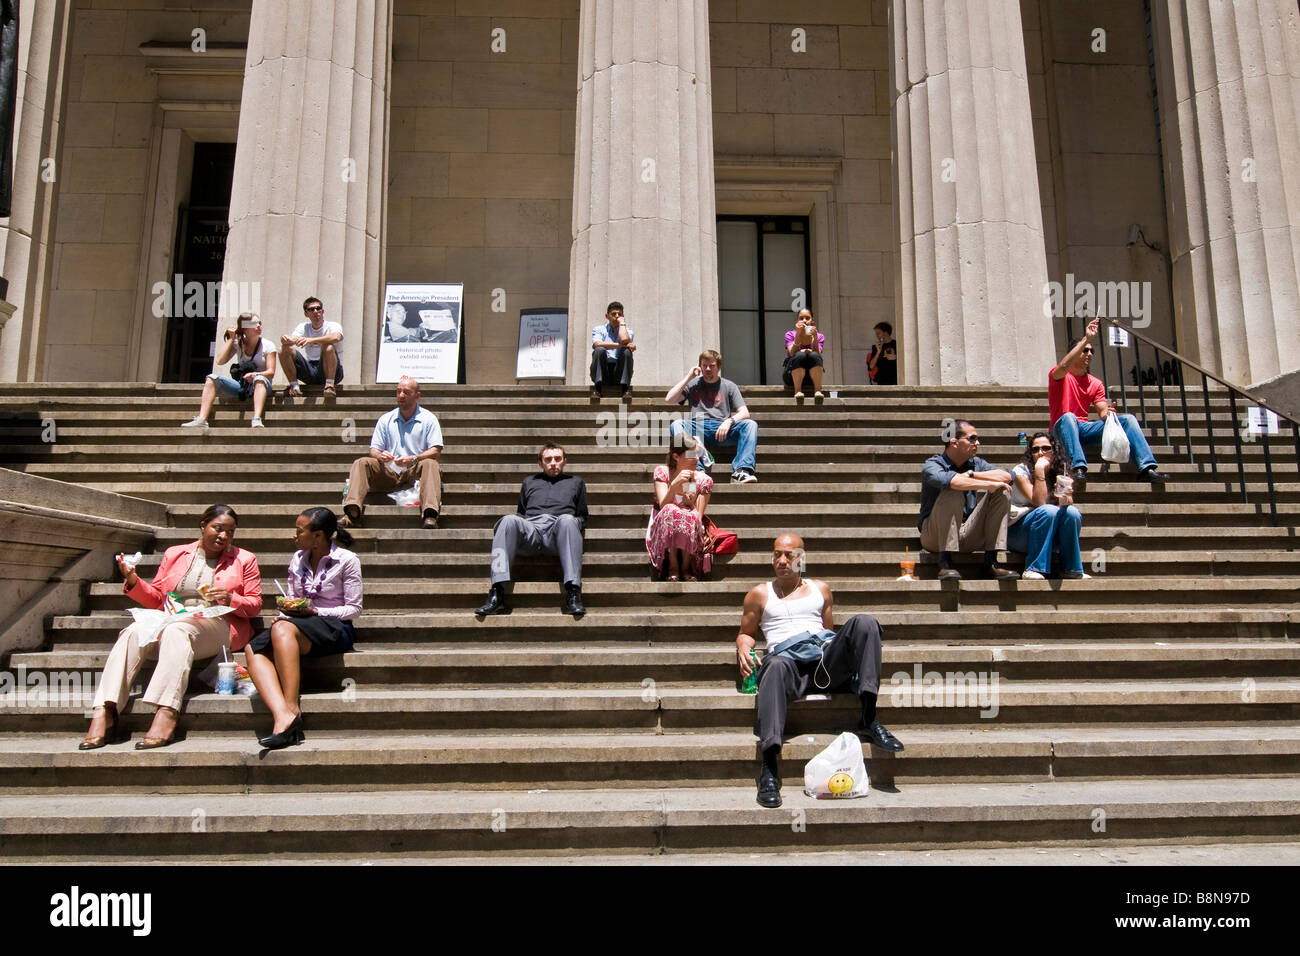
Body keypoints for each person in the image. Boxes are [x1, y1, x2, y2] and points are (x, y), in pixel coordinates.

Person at [736, 533, 902, 809]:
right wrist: (743, 646)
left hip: (823, 664)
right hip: (787, 666)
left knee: (865, 622)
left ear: (802, 558)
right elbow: (746, 633)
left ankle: (869, 717)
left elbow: (828, 632)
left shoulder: (821, 589)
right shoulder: (759, 594)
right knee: (774, 665)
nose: (781, 560)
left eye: (789, 555)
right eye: (777, 554)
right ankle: (769, 767)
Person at [80, 504, 262, 751]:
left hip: (217, 625)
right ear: (202, 525)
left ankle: (166, 710)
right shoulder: (175, 553)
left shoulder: (244, 559)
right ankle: (105, 710)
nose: (223, 536)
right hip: (172, 620)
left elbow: (254, 606)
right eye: (217, 529)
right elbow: (157, 599)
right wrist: (133, 580)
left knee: (178, 629)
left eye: (230, 532)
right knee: (133, 632)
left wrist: (231, 598)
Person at [245, 507, 362, 750]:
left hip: (335, 626)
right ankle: (283, 714)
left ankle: (291, 707)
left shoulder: (347, 560)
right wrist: (284, 612)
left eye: (300, 531)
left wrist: (316, 612)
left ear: (318, 536)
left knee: (282, 631)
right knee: (252, 648)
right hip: (298, 625)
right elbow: (292, 596)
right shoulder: (298, 558)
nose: (294, 536)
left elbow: (353, 609)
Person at [1050, 317, 1167, 487]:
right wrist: (1086, 339)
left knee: (1128, 420)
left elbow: (1102, 410)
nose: (1089, 354)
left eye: (1091, 351)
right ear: (1074, 352)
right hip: (1061, 428)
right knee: (1068, 417)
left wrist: (1108, 413)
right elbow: (1063, 365)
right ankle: (1078, 468)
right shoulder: (1059, 375)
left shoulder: (1095, 383)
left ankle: (1146, 468)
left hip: (1084, 429)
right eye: (1085, 350)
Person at [475, 442, 588, 617]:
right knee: (507, 520)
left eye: (557, 459)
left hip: (558, 530)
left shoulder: (576, 482)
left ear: (565, 461)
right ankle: (496, 592)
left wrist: (571, 523)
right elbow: (521, 512)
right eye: (548, 459)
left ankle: (573, 592)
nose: (553, 463)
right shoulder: (529, 481)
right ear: (540, 463)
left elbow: (582, 516)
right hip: (531, 529)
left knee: (568, 520)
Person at [918, 420, 1019, 580]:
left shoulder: (976, 464)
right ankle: (945, 563)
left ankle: (991, 562)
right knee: (952, 490)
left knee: (1002, 490)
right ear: (954, 442)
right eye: (972, 438)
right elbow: (953, 481)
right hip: (934, 536)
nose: (977, 443)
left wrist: (972, 474)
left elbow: (1008, 475)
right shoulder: (933, 464)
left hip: (968, 532)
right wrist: (987, 484)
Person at [341, 376, 443, 530]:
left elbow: (435, 450)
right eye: (398, 392)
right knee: (361, 462)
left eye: (406, 392)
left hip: (414, 471)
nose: (401, 395)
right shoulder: (386, 419)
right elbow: (374, 449)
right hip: (389, 471)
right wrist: (380, 456)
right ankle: (352, 512)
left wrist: (414, 458)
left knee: (430, 463)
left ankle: (430, 514)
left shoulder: (429, 419)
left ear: (417, 396)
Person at [666, 349, 759, 484]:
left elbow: (745, 412)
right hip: (697, 429)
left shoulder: (729, 386)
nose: (708, 369)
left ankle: (741, 471)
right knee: (677, 424)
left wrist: (729, 422)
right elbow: (669, 399)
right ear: (699, 366)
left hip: (722, 429)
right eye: (704, 365)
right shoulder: (693, 384)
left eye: (712, 365)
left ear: (719, 367)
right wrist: (689, 377)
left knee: (750, 424)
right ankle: (696, 469)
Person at [1008, 432, 1089, 580]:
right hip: (1018, 533)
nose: (1040, 453)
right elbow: (1039, 503)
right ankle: (1033, 567)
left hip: (1050, 531)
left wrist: (1066, 498)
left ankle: (1072, 569)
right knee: (1048, 510)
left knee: (1072, 512)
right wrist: (1040, 472)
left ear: (1054, 450)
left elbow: (1067, 504)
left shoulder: (1061, 471)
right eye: (1035, 449)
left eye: (1046, 448)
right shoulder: (1020, 471)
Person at [182, 313, 276, 429]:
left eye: (259, 323)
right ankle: (202, 419)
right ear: (245, 328)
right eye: (254, 324)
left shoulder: (268, 345)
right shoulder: (239, 344)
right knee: (211, 378)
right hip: (243, 386)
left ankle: (256, 419)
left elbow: (271, 372)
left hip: (263, 386)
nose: (258, 326)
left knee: (260, 379)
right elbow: (220, 361)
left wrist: (255, 374)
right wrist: (231, 339)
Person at [647, 434, 714, 581]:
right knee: (670, 510)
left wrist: (691, 502)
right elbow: (663, 505)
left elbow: (698, 515)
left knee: (689, 514)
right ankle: (673, 565)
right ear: (676, 456)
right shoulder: (662, 472)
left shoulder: (703, 480)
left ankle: (685, 565)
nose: (696, 459)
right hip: (664, 525)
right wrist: (674, 485)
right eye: (691, 454)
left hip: (690, 529)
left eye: (697, 454)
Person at [280, 295, 344, 397]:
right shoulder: (303, 327)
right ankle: (294, 387)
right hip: (311, 370)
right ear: (306, 313)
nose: (315, 311)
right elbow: (292, 339)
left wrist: (311, 340)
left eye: (318, 308)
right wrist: (285, 339)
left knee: (328, 346)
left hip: (333, 371)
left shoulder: (332, 325)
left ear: (323, 311)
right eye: (311, 309)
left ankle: (330, 386)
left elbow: (336, 337)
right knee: (283, 350)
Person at [590, 300, 636, 398]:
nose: (616, 316)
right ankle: (597, 389)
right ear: (607, 316)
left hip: (619, 371)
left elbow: (624, 339)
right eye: (613, 314)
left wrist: (622, 323)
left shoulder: (627, 331)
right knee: (599, 350)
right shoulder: (599, 329)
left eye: (619, 314)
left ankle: (625, 390)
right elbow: (597, 344)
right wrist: (621, 345)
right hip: (603, 370)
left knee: (627, 352)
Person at [782, 308, 825, 400]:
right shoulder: (790, 334)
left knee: (814, 355)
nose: (804, 321)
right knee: (799, 355)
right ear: (797, 320)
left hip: (811, 377)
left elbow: (818, 354)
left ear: (812, 320)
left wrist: (815, 337)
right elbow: (792, 352)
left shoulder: (819, 336)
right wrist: (798, 334)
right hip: (791, 375)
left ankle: (817, 390)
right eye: (801, 318)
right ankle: (797, 391)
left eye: (807, 318)